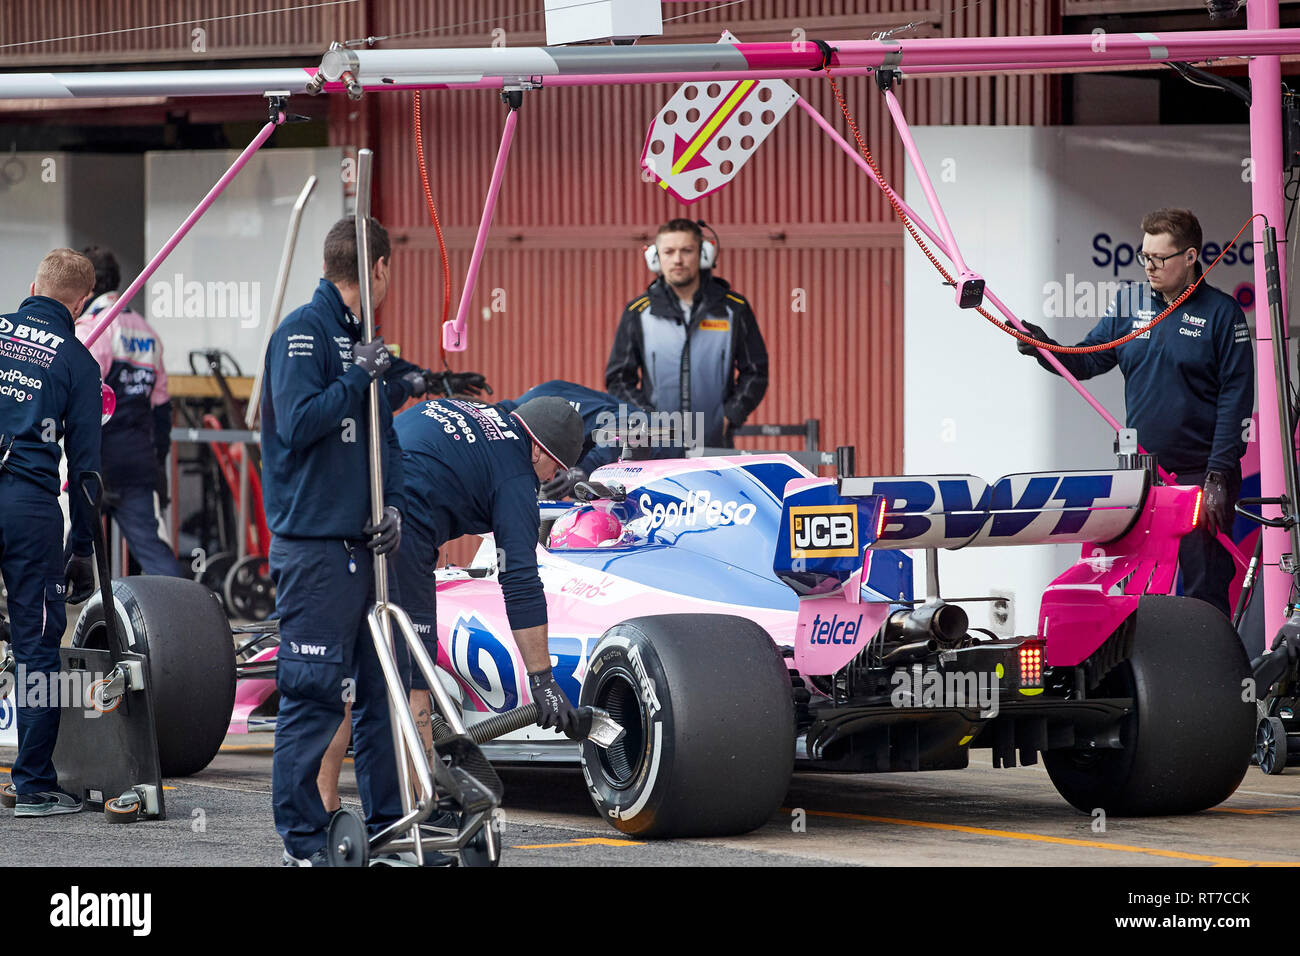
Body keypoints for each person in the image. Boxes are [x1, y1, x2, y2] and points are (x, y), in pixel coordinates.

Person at [316, 395, 584, 816]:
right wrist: (543, 681)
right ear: (537, 449)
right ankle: (420, 806)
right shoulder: (517, 479)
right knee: (413, 677)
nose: (554, 478)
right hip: (400, 526)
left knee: (346, 675)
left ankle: (321, 812)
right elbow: (520, 581)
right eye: (557, 467)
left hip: (338, 502)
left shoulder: (481, 413)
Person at [1016, 208, 1254, 617]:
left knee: (1203, 591)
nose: (1149, 267)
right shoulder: (1129, 302)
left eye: (1159, 259)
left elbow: (1237, 397)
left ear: (1190, 256)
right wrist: (1045, 348)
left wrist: (1218, 474)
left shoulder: (1221, 313)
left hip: (1201, 475)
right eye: (1144, 257)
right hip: (1142, 474)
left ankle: (1204, 673)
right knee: (1136, 587)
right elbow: (1088, 360)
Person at [261, 215, 408, 866]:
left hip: (364, 549)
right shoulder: (302, 332)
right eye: (390, 269)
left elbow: (386, 441)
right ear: (375, 270)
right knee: (314, 697)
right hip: (315, 547)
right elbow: (297, 425)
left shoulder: (361, 340)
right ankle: (302, 844)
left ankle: (388, 835)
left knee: (381, 699)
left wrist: (395, 505)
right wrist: (358, 379)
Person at [0, 249, 101, 816]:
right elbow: (86, 472)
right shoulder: (79, 363)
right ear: (81, 303)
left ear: (33, 283)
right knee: (38, 643)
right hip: (28, 507)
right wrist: (82, 547)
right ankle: (35, 786)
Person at [606, 218, 768, 453]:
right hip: (655, 449)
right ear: (655, 258)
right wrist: (647, 418)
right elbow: (619, 378)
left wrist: (728, 416)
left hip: (714, 447)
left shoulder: (734, 309)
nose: (677, 260)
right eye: (669, 252)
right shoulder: (638, 312)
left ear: (704, 255)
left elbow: (756, 371)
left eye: (686, 250)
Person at [74, 246, 181, 577]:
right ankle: (185, 620)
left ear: (88, 288)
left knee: (58, 548)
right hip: (138, 462)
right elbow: (161, 408)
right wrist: (155, 459)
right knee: (155, 554)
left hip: (92, 464)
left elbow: (80, 402)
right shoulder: (147, 332)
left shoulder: (91, 329)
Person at [496, 379, 635, 499]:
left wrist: (584, 469)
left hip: (649, 448)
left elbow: (624, 423)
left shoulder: (551, 411)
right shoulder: (524, 422)